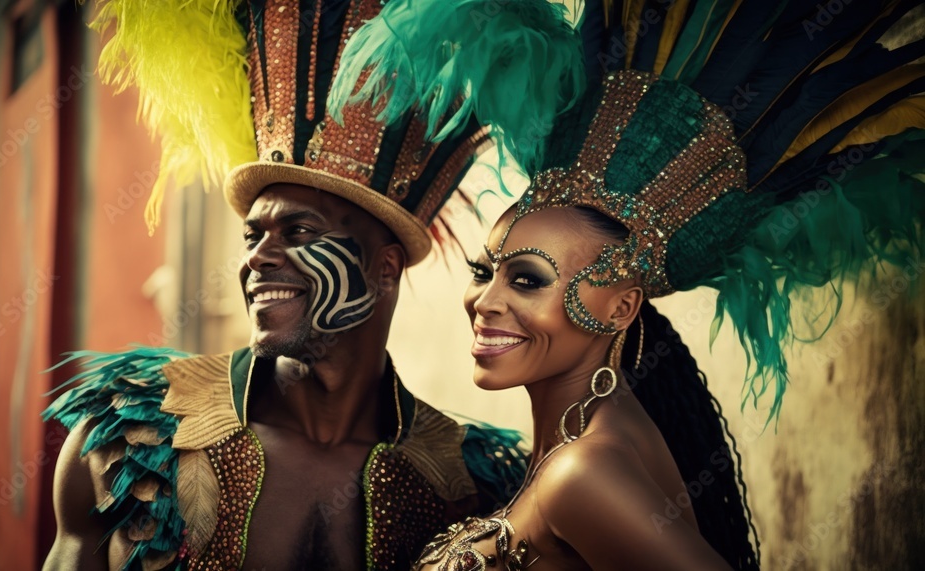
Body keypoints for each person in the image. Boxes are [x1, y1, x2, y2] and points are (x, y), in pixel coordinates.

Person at [330, 0, 925, 568]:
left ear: (619, 308)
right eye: (484, 272)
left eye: (527, 279)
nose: (485, 302)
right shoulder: (580, 447)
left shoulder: (581, 474)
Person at [40, 0, 580, 569]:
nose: (258, 259)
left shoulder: (466, 486)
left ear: (386, 269)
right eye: (252, 236)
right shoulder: (129, 440)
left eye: (298, 231)